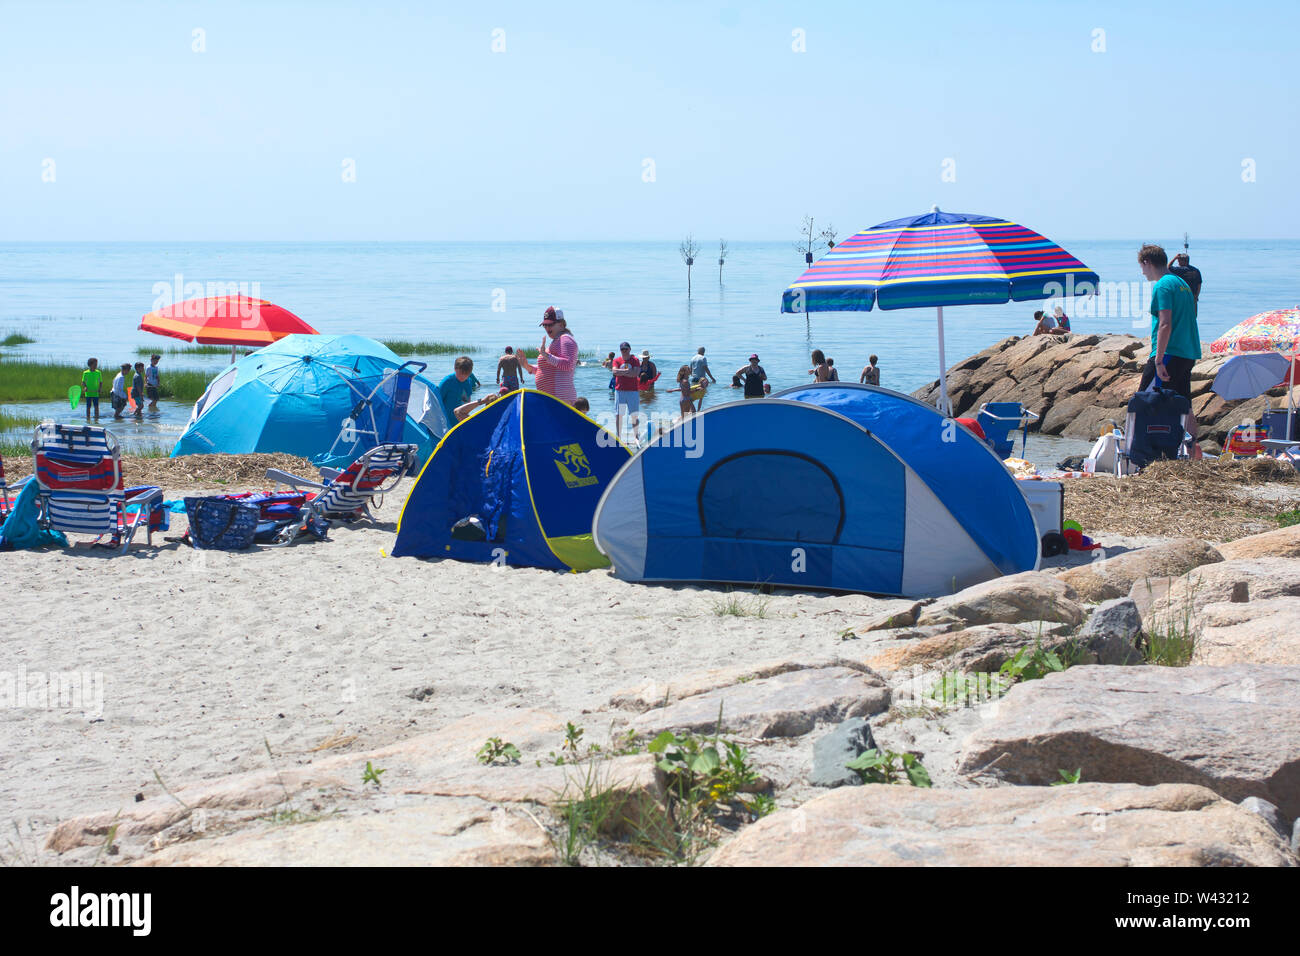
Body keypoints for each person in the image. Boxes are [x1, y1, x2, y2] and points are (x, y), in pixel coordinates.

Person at [1137, 243, 1202, 452]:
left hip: (1168, 354)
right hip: (1187, 352)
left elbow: (1165, 323)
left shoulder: (1163, 285)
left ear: (1147, 262)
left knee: (1142, 403)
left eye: (1142, 266)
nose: (1142, 272)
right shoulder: (1181, 283)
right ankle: (1194, 450)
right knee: (1184, 405)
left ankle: (1140, 454)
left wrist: (1158, 360)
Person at [517, 307, 577, 404]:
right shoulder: (557, 340)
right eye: (545, 325)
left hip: (561, 400)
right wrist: (527, 366)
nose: (547, 328)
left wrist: (546, 356)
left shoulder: (566, 340)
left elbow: (568, 364)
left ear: (561, 325)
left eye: (550, 324)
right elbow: (547, 370)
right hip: (551, 400)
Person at [438, 356, 483, 425]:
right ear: (455, 369)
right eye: (461, 373)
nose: (463, 376)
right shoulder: (447, 381)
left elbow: (468, 401)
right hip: (446, 420)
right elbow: (437, 401)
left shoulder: (468, 382)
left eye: (466, 374)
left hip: (460, 420)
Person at [611, 341, 641, 441]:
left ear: (629, 349)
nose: (624, 351)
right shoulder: (617, 360)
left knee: (634, 415)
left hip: (633, 391)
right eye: (622, 349)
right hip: (620, 391)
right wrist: (627, 372)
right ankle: (618, 437)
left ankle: (636, 436)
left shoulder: (635, 360)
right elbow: (614, 371)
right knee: (619, 415)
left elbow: (635, 373)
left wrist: (622, 373)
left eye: (626, 349)